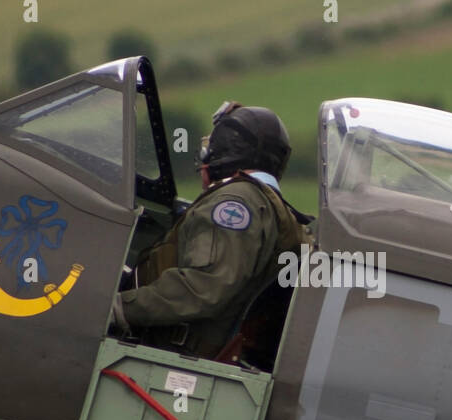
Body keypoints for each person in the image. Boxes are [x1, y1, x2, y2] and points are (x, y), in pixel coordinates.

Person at [110, 101, 312, 357]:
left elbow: (202, 288)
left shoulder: (237, 201)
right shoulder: (274, 209)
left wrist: (120, 307)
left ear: (229, 149)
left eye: (212, 146)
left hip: (177, 357)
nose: (207, 154)